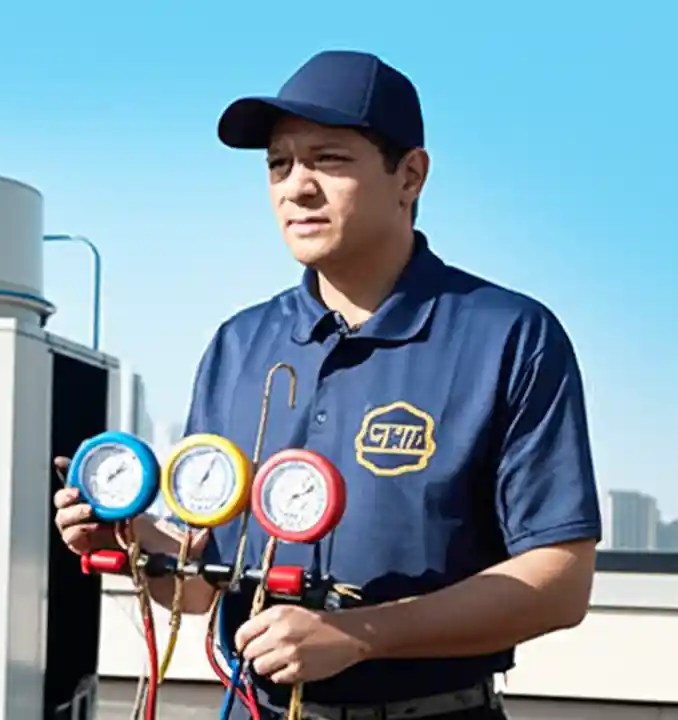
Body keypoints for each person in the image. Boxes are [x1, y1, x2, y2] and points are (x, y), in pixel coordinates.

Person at [52, 49, 600, 719]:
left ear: (411, 175)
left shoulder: (506, 335)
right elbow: (204, 581)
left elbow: (559, 582)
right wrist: (135, 541)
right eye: (278, 164)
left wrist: (359, 636)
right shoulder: (240, 344)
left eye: (329, 159)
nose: (296, 187)